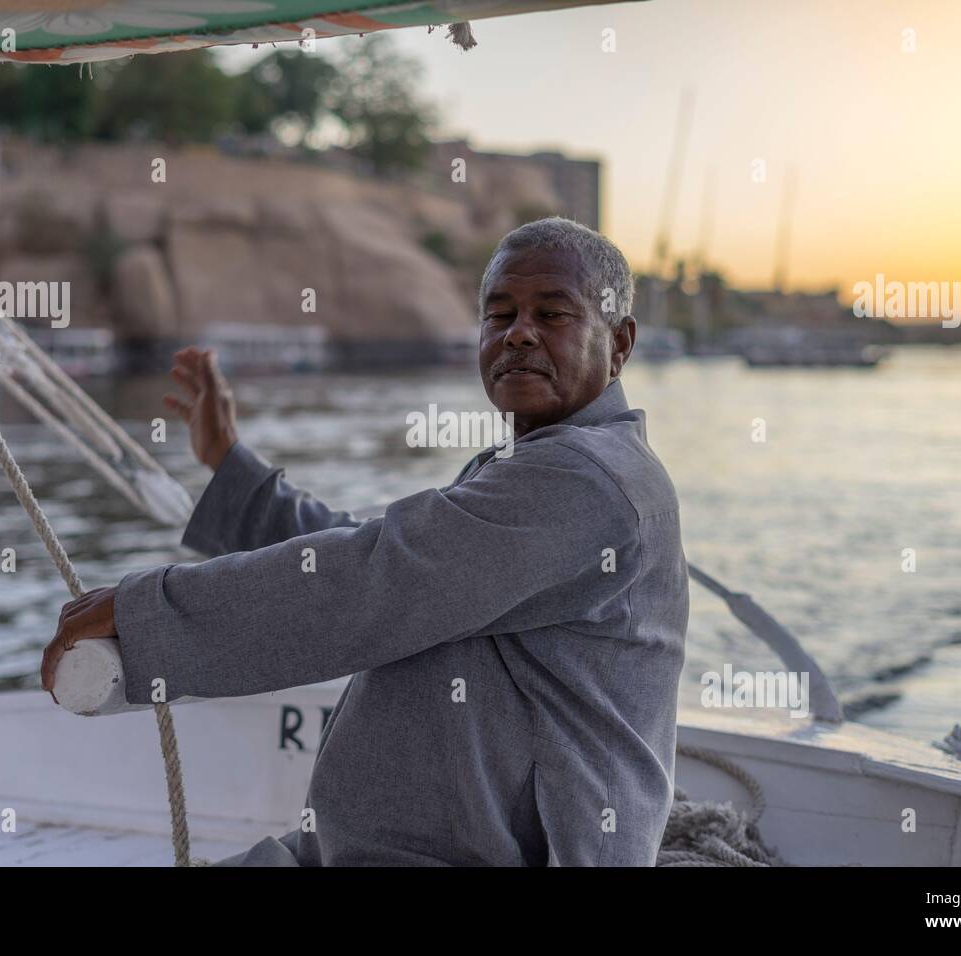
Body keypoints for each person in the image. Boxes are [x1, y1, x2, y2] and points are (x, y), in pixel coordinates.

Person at [41, 216, 689, 866]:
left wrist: (144, 616)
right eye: (499, 315)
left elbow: (375, 580)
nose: (518, 332)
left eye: (552, 314)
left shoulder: (589, 480)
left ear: (621, 343)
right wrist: (235, 473)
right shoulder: (543, 461)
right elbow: (384, 559)